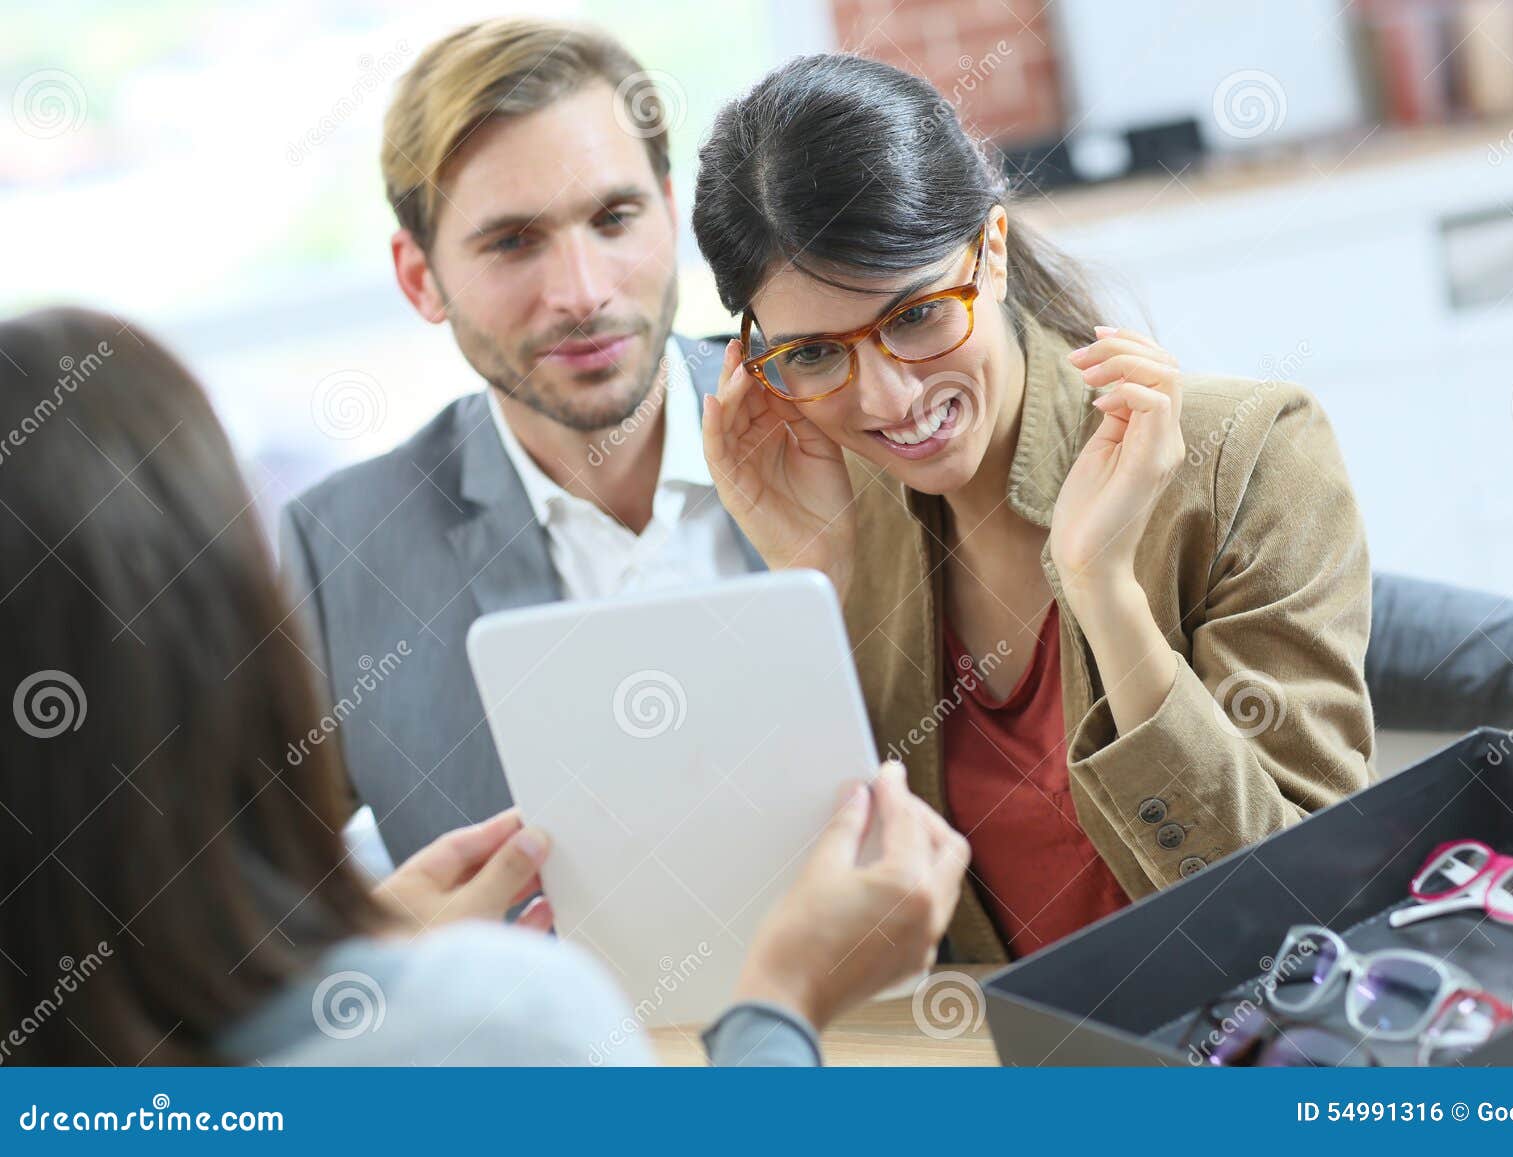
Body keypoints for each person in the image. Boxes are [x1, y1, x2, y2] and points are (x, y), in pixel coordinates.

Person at [0, 307, 968, 1066]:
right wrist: (780, 1006)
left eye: (616, 214)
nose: (580, 286)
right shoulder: (503, 1023)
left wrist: (370, 940)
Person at [693, 53, 1376, 963]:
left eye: (917, 315)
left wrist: (1106, 594)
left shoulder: (1247, 458)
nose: (889, 398)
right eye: (815, 353)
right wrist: (810, 583)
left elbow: (1302, 914)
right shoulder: (822, 496)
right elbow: (801, 928)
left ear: (996, 250)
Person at [278, 19, 760, 868]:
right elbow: (237, 901)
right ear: (420, 277)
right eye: (512, 241)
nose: (582, 293)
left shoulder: (841, 424)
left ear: (669, 210)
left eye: (614, 218)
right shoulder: (340, 551)